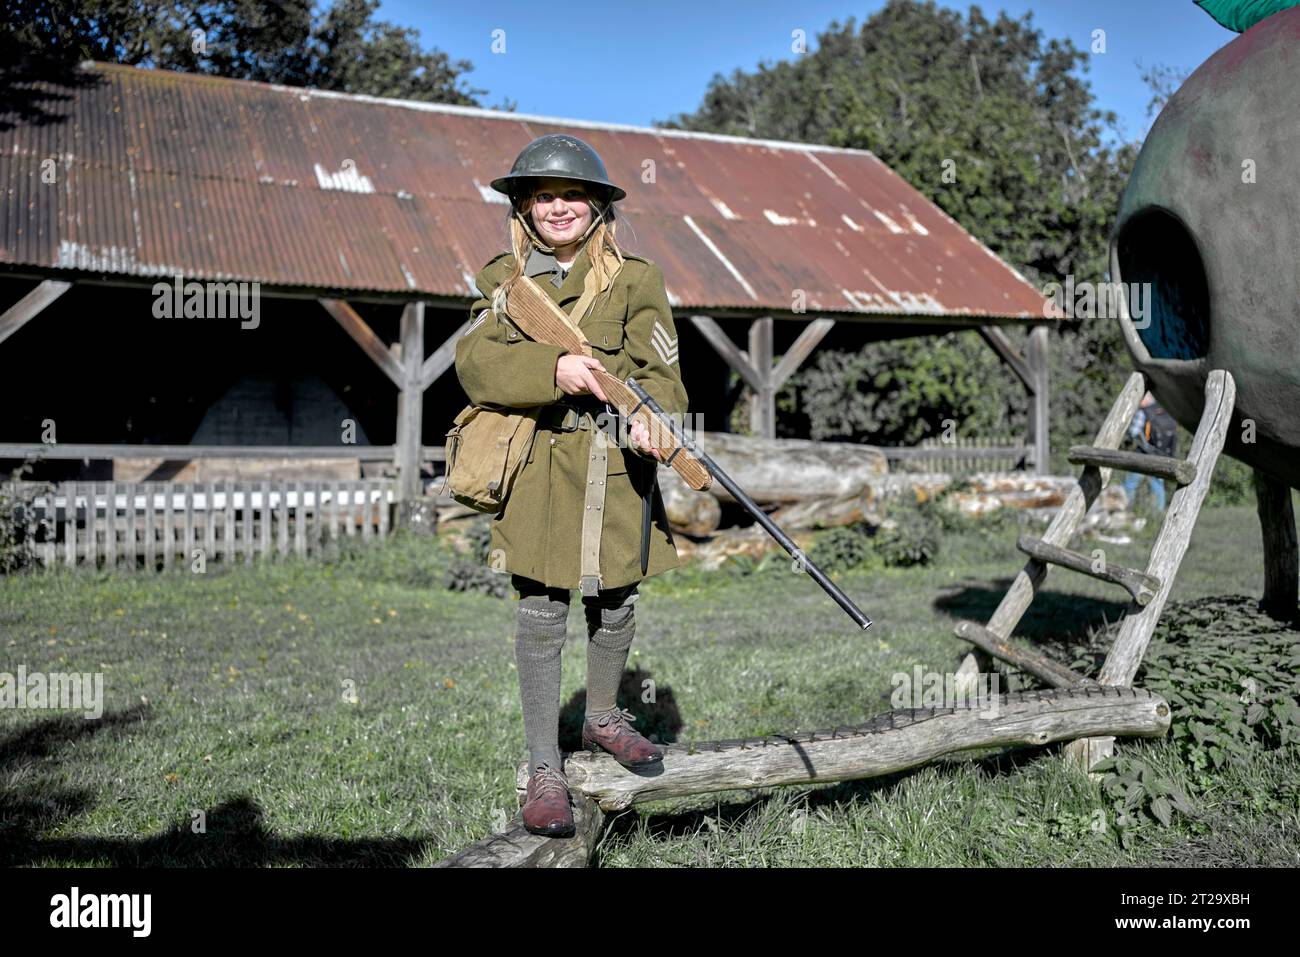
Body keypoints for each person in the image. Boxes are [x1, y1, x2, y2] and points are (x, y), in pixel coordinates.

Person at [454, 133, 689, 838]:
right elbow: (475, 363)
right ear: (524, 206)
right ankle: (543, 766)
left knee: (616, 597)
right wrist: (552, 371)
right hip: (538, 468)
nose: (558, 207)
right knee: (541, 608)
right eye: (544, 196)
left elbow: (662, 372)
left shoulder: (636, 279)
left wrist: (654, 416)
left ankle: (604, 716)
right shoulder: (501, 281)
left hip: (615, 469)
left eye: (571, 196)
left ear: (596, 207)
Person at [1124, 391, 1178, 511]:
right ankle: (1158, 513)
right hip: (1161, 455)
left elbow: (1133, 432)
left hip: (1143, 454)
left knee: (1131, 483)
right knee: (1158, 485)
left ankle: (1126, 509)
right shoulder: (1166, 412)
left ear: (1146, 399)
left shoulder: (1143, 412)